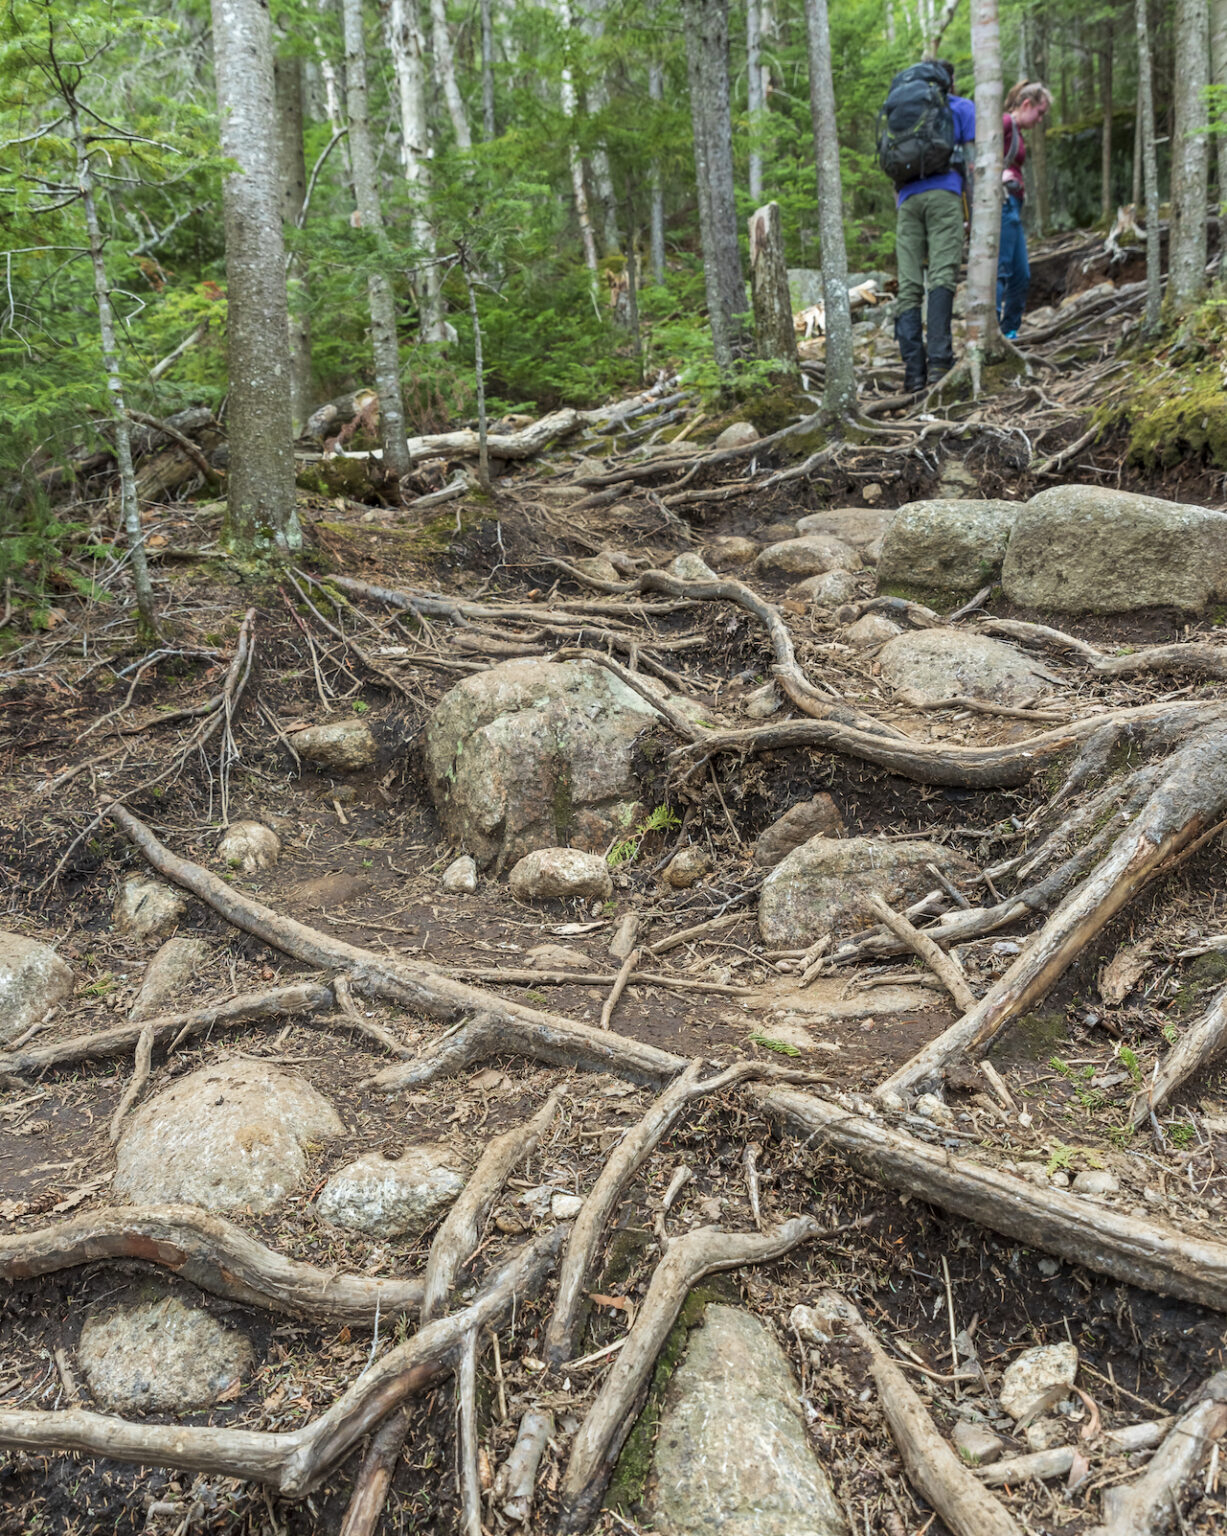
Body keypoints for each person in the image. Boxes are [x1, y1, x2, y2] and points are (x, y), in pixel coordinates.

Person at [890, 60, 975, 393]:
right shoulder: (961, 108)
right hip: (945, 195)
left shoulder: (901, 112)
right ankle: (939, 365)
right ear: (948, 82)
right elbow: (971, 163)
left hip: (907, 202)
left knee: (909, 284)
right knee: (941, 275)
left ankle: (913, 374)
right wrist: (975, 210)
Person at [997, 80, 1053, 339]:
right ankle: (992, 332)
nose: (1040, 120)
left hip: (1014, 206)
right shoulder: (1006, 123)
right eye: (1040, 112)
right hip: (1003, 203)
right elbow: (978, 156)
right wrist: (1000, 175)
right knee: (1003, 268)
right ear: (1027, 104)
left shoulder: (1016, 130)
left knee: (1022, 273)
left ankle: (1010, 331)